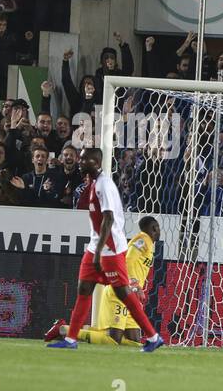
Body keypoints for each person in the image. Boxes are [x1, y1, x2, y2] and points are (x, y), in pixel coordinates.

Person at [46, 149, 163, 352]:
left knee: (123, 292)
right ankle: (71, 338)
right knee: (84, 289)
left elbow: (108, 218)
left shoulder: (104, 185)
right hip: (96, 246)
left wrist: (99, 252)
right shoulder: (92, 184)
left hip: (110, 249)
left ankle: (153, 337)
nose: (80, 161)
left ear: (96, 161)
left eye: (84, 158)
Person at [48, 217, 161, 347]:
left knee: (134, 341)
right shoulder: (144, 239)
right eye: (157, 228)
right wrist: (134, 285)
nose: (159, 231)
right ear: (153, 228)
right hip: (122, 291)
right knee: (113, 340)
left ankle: (76, 331)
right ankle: (63, 330)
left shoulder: (149, 244)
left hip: (131, 294)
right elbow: (129, 259)